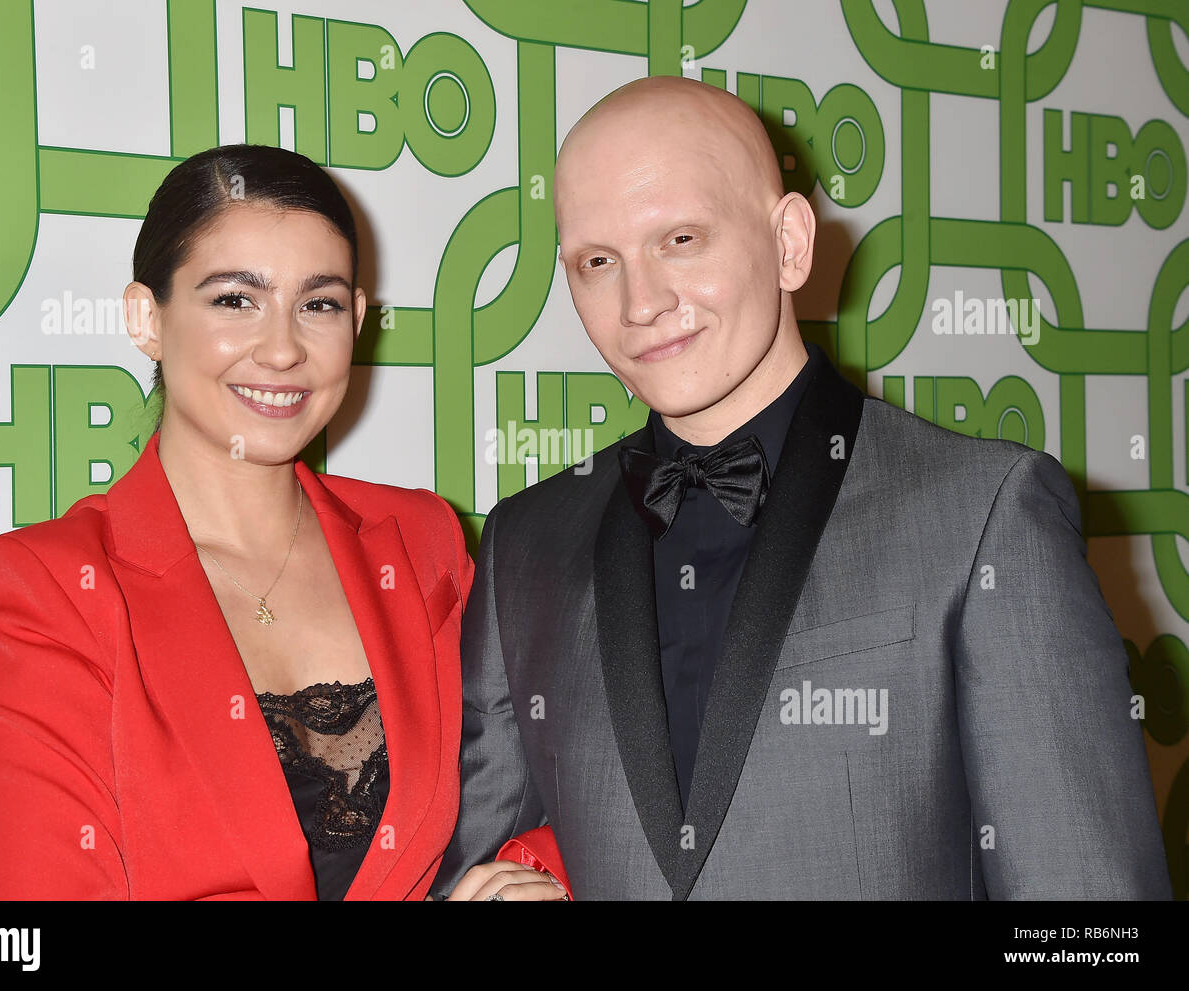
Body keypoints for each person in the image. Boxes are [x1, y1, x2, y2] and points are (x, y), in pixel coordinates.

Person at [432, 77, 1173, 899]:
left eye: (680, 238)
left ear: (790, 242)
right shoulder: (524, 542)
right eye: (597, 261)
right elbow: (474, 858)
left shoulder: (984, 513)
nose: (641, 302)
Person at [0, 144, 566, 902]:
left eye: (319, 303)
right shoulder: (50, 589)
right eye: (234, 300)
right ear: (146, 317)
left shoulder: (419, 540)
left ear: (358, 319)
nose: (282, 350)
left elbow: (538, 789)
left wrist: (523, 882)